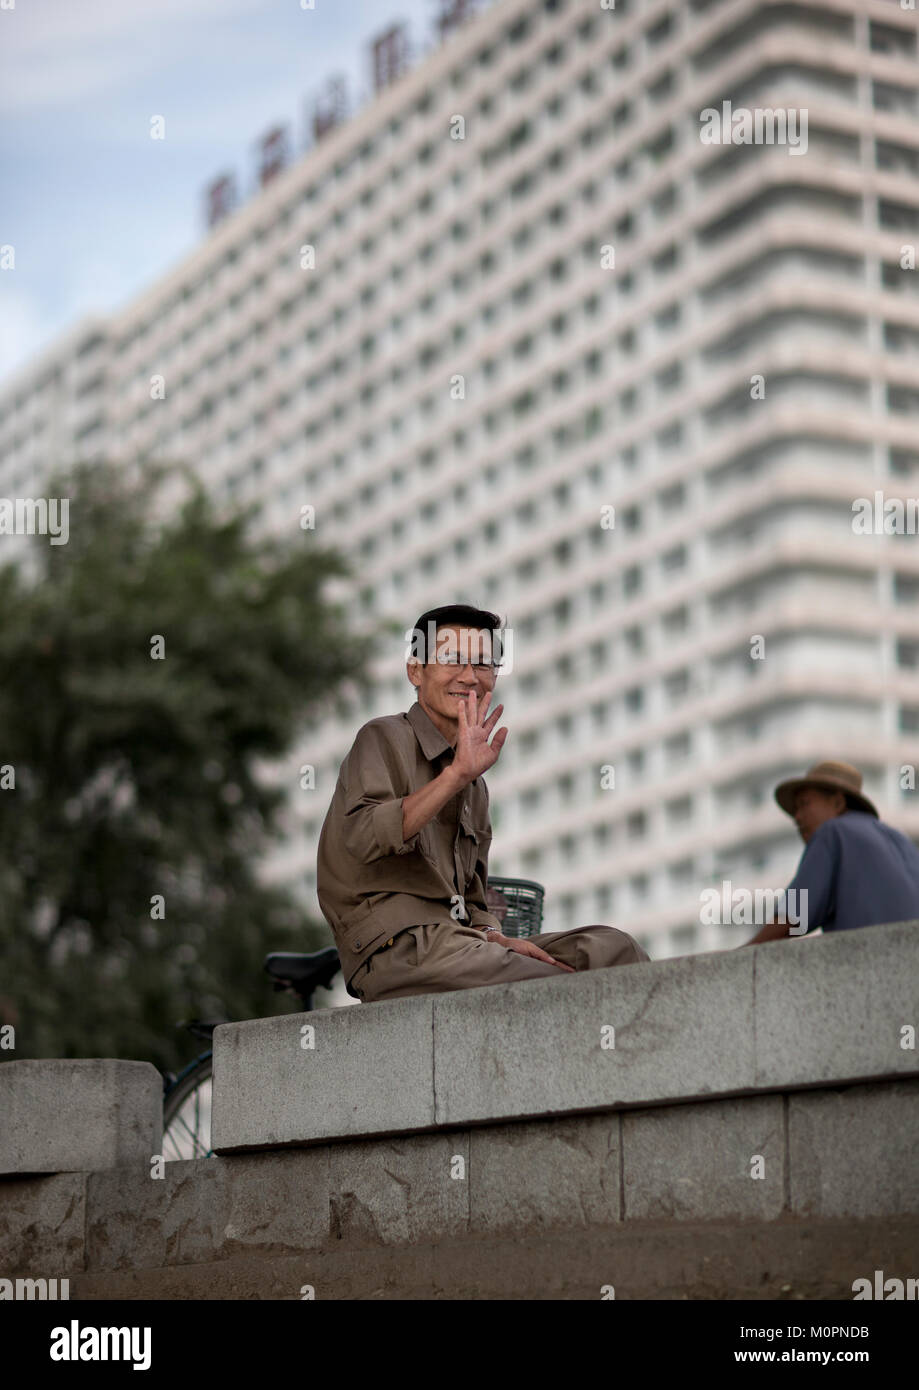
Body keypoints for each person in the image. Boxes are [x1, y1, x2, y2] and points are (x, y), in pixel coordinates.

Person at [317, 603, 649, 1002]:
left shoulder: (474, 783)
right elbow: (365, 836)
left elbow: (472, 895)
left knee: (612, 949)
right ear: (415, 671)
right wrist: (454, 776)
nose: (470, 677)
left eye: (484, 664)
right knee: (550, 983)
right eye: (453, 660)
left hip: (460, 941)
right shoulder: (384, 738)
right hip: (396, 948)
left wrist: (496, 937)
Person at [743, 760, 919, 944]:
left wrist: (744, 955)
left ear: (837, 802)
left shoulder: (833, 831)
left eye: (804, 804)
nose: (797, 818)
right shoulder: (903, 841)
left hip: (871, 960)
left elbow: (792, 917)